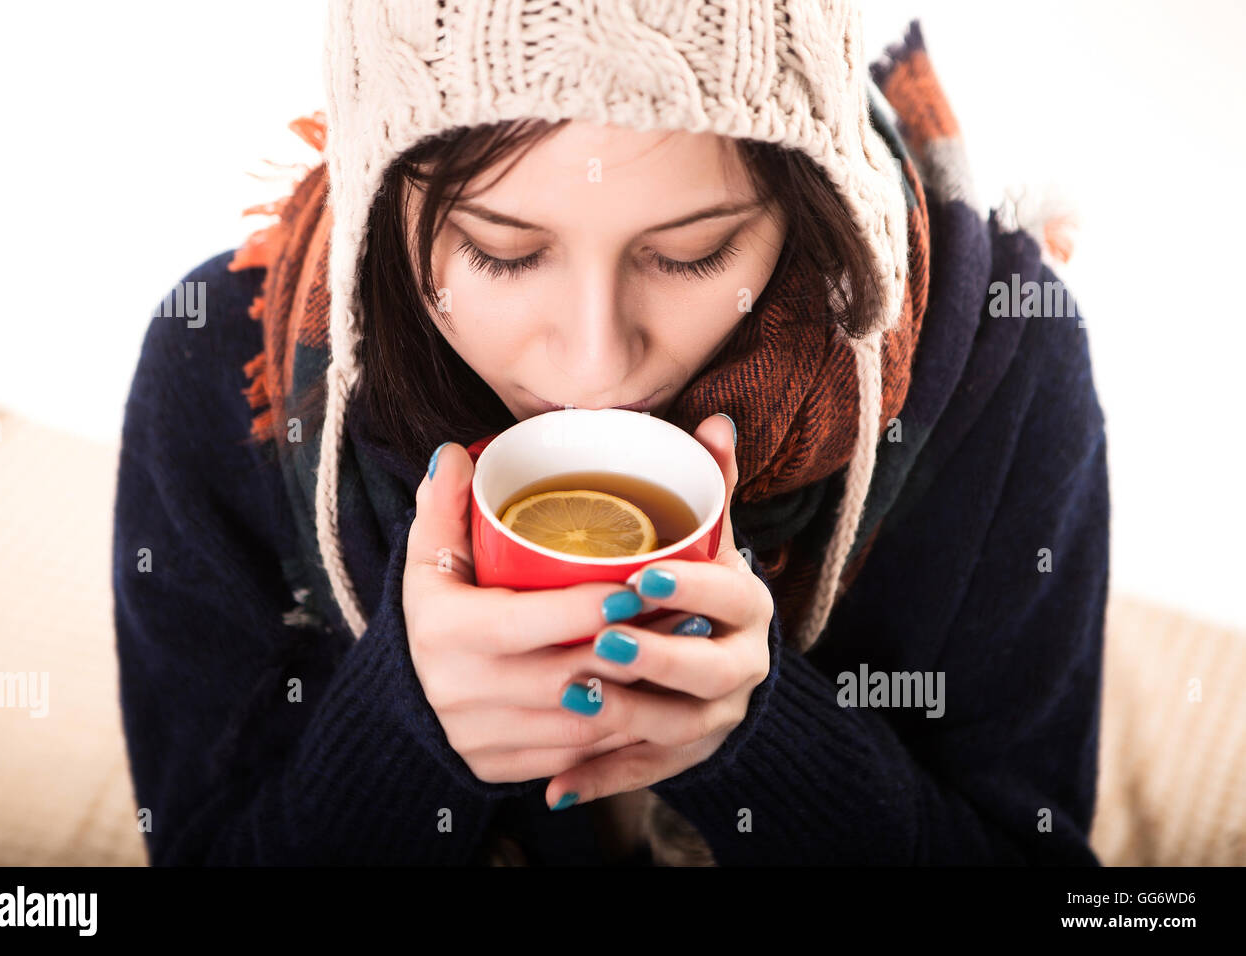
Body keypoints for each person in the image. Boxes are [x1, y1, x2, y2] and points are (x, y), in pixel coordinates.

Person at [112, 2, 1109, 865]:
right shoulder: (223, 365)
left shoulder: (999, 358)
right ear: (384, 193)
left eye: (691, 252)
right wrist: (403, 731)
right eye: (500, 251)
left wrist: (761, 740)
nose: (594, 366)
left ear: (815, 206)